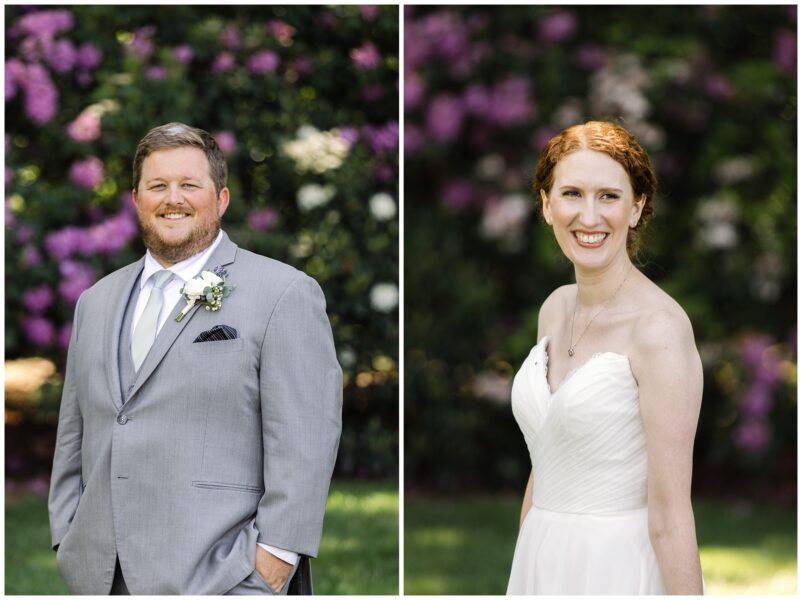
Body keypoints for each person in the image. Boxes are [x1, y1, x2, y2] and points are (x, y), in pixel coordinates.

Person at [48, 122, 343, 595]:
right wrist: (68, 536)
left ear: (221, 198)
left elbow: (306, 440)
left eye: (189, 184)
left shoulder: (284, 293)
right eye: (158, 185)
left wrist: (273, 562)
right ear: (136, 199)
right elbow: (73, 436)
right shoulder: (96, 302)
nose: (173, 198)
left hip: (223, 575)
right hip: (103, 575)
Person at [506, 121, 704, 594]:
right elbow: (548, 458)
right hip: (540, 558)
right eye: (572, 193)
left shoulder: (660, 330)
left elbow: (672, 518)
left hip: (616, 567)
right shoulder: (554, 309)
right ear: (546, 204)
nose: (589, 217)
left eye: (609, 197)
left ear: (637, 208)